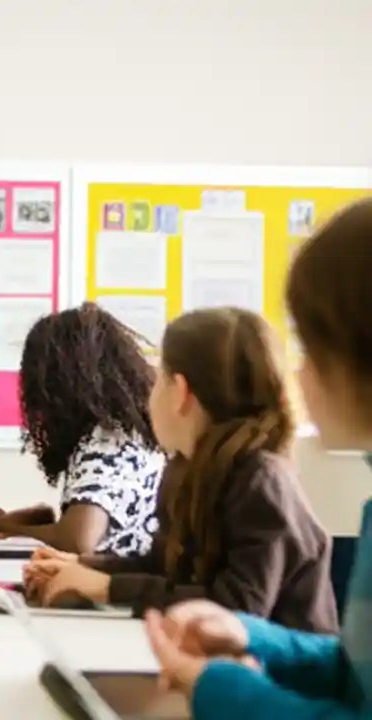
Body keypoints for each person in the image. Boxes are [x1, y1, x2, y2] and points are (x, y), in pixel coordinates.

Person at [144, 199, 372, 717]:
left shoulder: (258, 477)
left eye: (311, 348)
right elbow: (356, 674)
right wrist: (247, 634)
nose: (298, 374)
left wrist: (213, 687)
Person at [23, 308, 337, 632]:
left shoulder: (260, 479)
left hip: (284, 677)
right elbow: (164, 568)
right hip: (216, 663)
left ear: (181, 392)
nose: (148, 392)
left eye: (159, 378)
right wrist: (83, 566)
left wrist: (105, 587)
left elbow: (240, 607)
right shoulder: (186, 468)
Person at [0, 303, 166, 555]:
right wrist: (19, 524)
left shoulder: (106, 438)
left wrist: (8, 530)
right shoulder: (127, 430)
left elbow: (79, 540)